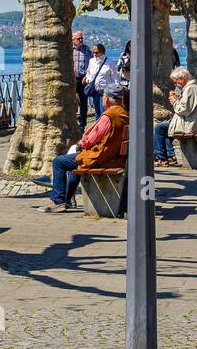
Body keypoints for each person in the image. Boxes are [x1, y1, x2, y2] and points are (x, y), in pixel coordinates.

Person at [38, 85, 129, 213]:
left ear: (107, 99)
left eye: (103, 96)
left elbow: (88, 141)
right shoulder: (124, 114)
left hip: (101, 159)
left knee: (59, 162)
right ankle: (66, 199)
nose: (103, 98)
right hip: (114, 157)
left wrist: (80, 144)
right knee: (76, 160)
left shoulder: (108, 117)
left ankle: (59, 201)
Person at [154, 67, 197, 166]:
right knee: (167, 127)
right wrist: (178, 98)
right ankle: (170, 155)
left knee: (159, 128)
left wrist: (175, 102)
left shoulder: (190, 89)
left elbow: (184, 110)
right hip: (193, 121)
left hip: (190, 125)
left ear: (183, 78)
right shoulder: (193, 87)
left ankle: (161, 158)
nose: (175, 84)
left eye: (176, 81)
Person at [82, 43, 116, 121]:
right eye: (93, 52)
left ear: (102, 52)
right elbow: (89, 72)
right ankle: (98, 126)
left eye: (96, 52)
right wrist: (87, 79)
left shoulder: (109, 62)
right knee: (97, 109)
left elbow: (114, 76)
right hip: (95, 90)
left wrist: (116, 88)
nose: (94, 54)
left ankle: (104, 125)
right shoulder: (92, 61)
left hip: (105, 90)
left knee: (103, 109)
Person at [72, 31, 93, 129]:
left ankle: (82, 124)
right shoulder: (69, 49)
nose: (81, 40)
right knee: (71, 101)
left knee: (84, 102)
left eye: (82, 38)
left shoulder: (87, 49)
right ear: (73, 40)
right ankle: (71, 121)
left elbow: (92, 64)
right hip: (72, 79)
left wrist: (87, 75)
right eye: (78, 38)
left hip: (83, 79)